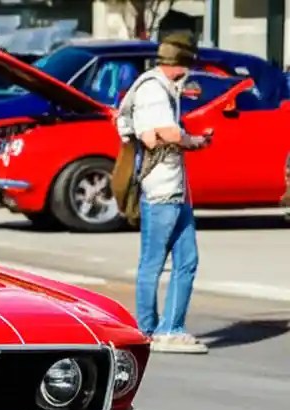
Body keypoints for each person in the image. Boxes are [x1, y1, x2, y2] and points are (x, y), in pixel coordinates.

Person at [128, 32, 211, 354]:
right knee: (152, 261)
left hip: (175, 189)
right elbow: (158, 134)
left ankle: (171, 327)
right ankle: (148, 329)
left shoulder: (161, 88)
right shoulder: (153, 91)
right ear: (180, 64)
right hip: (161, 189)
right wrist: (194, 141)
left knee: (187, 259)